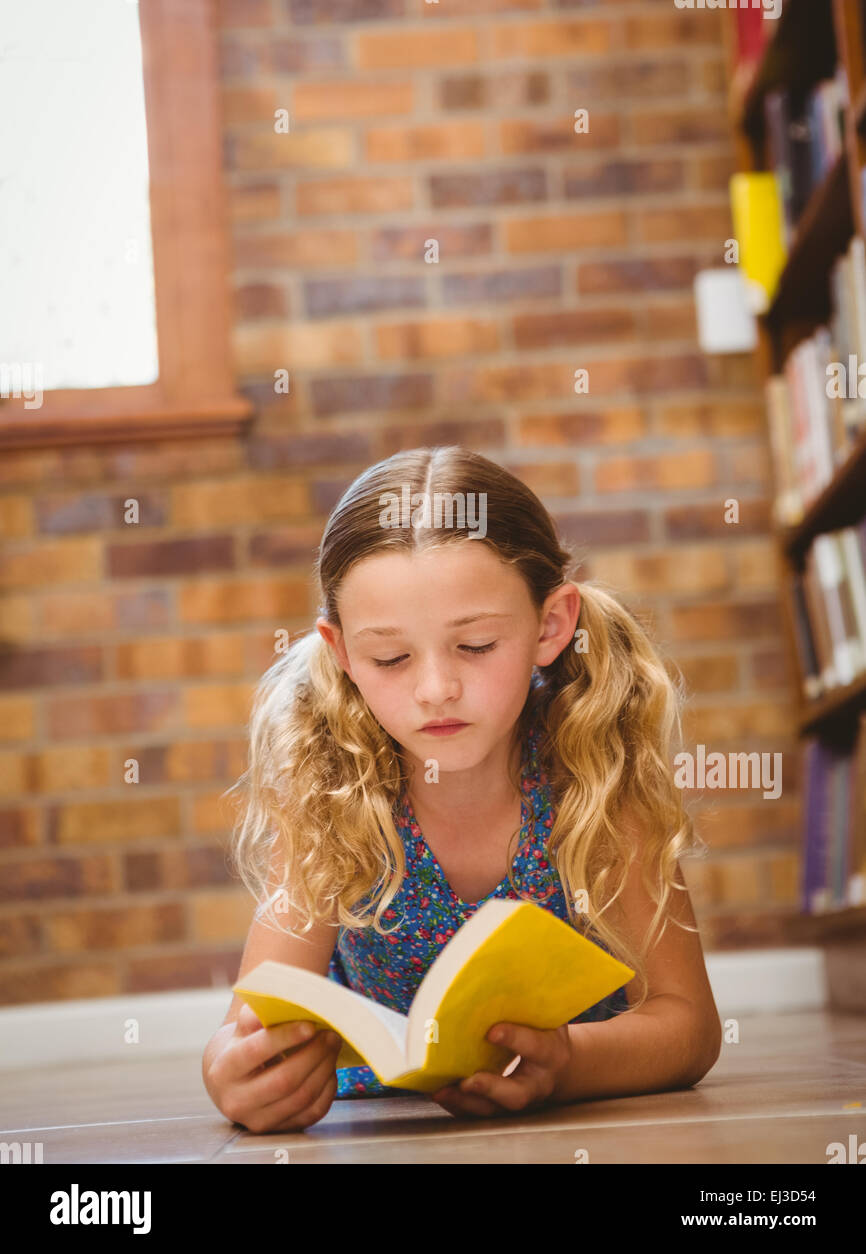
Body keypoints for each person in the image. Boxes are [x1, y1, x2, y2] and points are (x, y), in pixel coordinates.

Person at [202, 446, 721, 1133]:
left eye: (475, 645)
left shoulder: (592, 771)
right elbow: (247, 1023)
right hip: (382, 1125)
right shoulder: (329, 785)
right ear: (343, 654)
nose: (435, 689)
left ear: (551, 625)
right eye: (390, 658)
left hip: (575, 1109)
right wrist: (228, 1073)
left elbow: (688, 1025)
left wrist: (565, 1066)